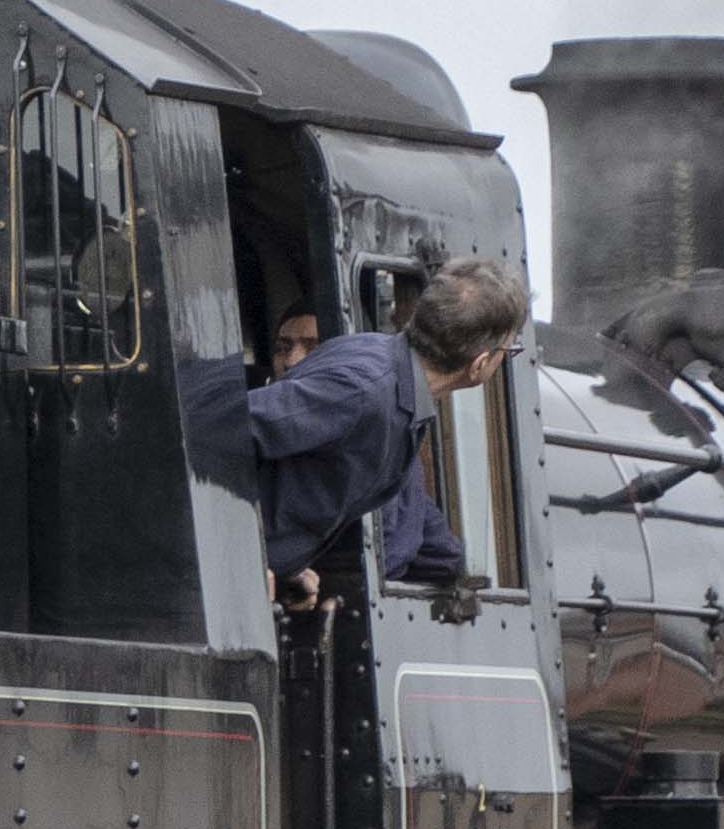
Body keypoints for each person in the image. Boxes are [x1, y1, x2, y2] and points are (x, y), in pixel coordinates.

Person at [183, 257, 527, 605]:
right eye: (508, 352)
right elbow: (209, 427)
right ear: (481, 363)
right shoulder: (363, 389)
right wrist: (235, 556)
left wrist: (283, 565)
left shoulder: (394, 386)